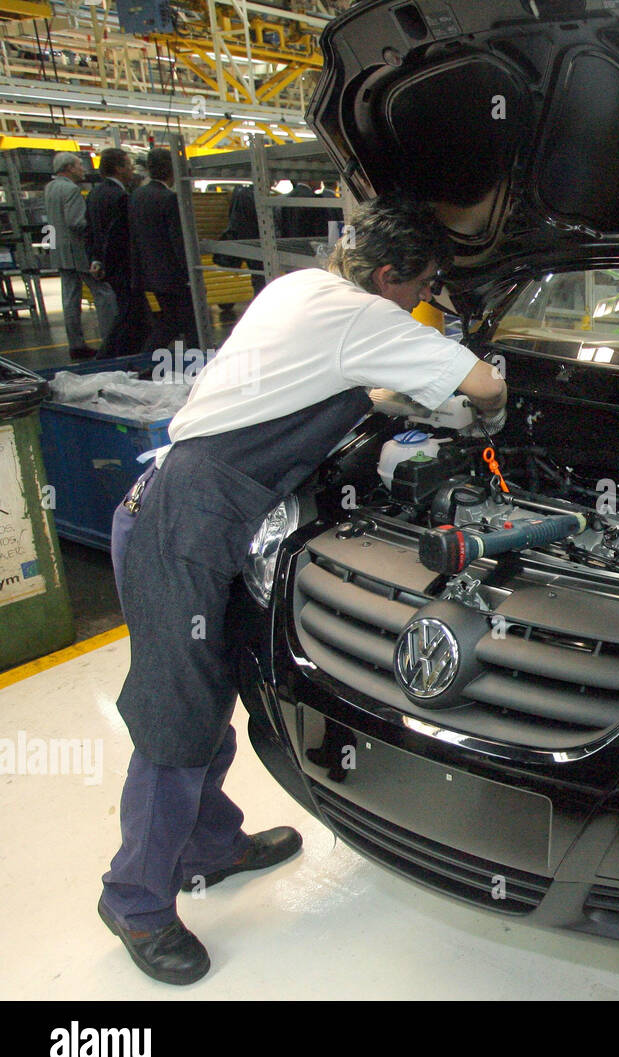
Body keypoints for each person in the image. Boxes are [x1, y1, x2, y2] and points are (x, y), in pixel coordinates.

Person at [99, 196, 507, 985]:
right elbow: (483, 383)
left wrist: (391, 399)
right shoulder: (366, 318)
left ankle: (209, 844)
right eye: (421, 286)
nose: (421, 302)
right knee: (174, 717)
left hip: (180, 512)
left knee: (209, 690)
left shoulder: (297, 288)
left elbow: (312, 385)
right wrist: (490, 414)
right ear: (390, 276)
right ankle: (135, 899)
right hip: (183, 529)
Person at [43, 151, 115, 360]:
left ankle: (76, 344)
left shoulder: (50, 188)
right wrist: (95, 228)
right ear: (69, 168)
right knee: (103, 293)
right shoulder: (71, 189)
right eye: (79, 165)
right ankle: (109, 341)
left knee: (70, 298)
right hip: (77, 251)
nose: (83, 169)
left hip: (60, 250)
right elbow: (76, 222)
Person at [129, 147, 198, 356]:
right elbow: (178, 241)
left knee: (175, 320)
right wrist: (189, 274)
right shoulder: (169, 199)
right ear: (172, 170)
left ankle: (198, 359)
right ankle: (147, 360)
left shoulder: (137, 196)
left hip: (151, 274)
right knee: (181, 322)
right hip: (173, 277)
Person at [86, 147, 147, 359]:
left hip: (108, 265)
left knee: (131, 313)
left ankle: (120, 356)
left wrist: (97, 260)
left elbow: (92, 231)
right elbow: (118, 237)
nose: (132, 171)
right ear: (119, 168)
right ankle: (111, 358)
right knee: (131, 314)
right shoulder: (120, 197)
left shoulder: (95, 193)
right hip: (123, 266)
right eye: (129, 166)